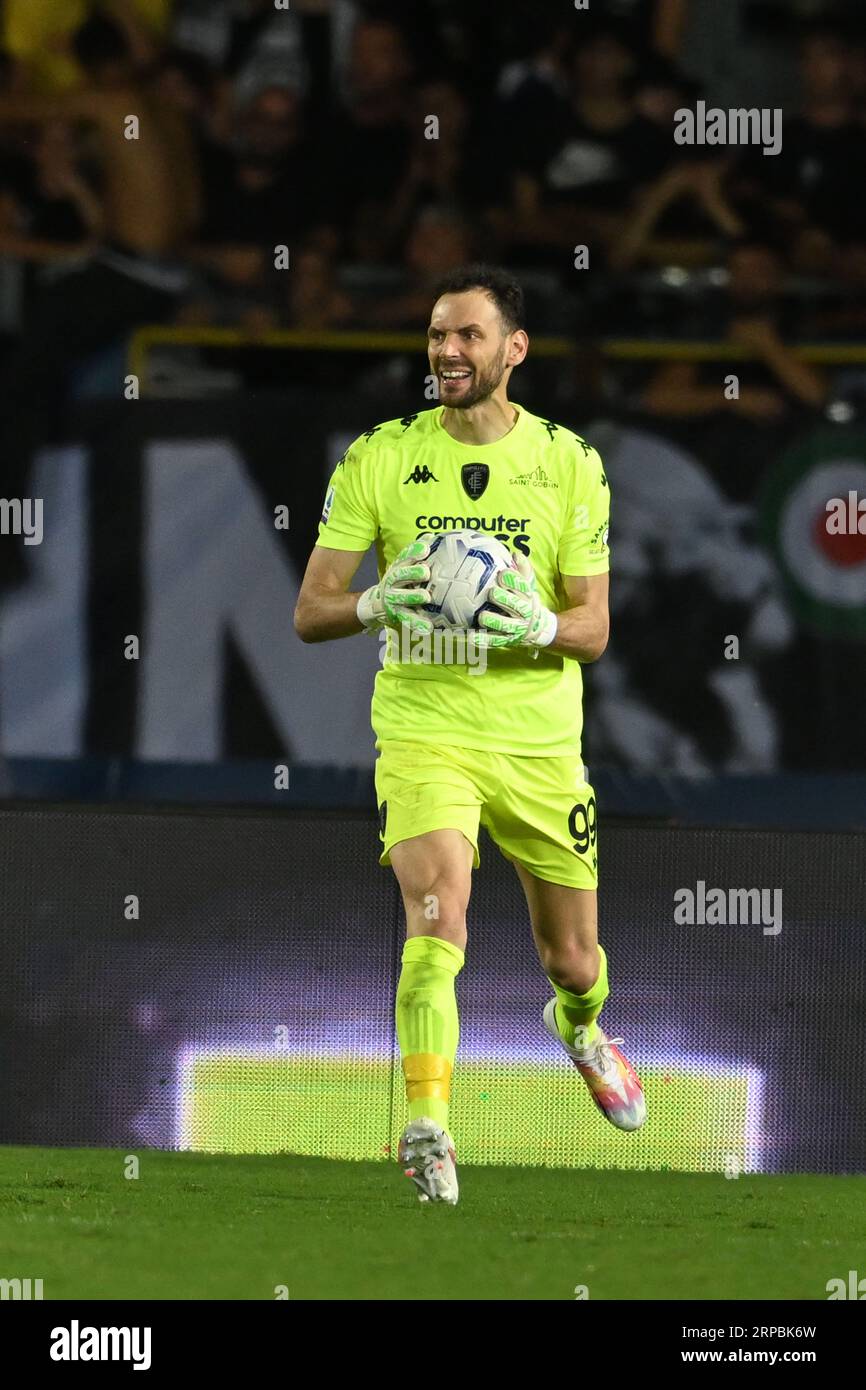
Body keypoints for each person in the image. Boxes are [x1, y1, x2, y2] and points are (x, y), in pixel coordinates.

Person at [294, 264, 646, 1206]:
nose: (448, 352)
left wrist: (536, 627)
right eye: (438, 336)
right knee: (435, 918)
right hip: (425, 726)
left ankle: (579, 1026)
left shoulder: (569, 462)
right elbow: (311, 611)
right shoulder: (379, 455)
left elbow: (594, 627)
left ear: (513, 350)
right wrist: (373, 599)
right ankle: (427, 1128)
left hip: (537, 742)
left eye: (469, 337)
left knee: (573, 958)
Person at [0, 13, 201, 590]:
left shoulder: (109, 102)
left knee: (17, 381)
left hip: (131, 277)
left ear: (87, 69)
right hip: (164, 274)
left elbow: (15, 114)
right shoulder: (163, 111)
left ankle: (11, 543)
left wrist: (29, 76)